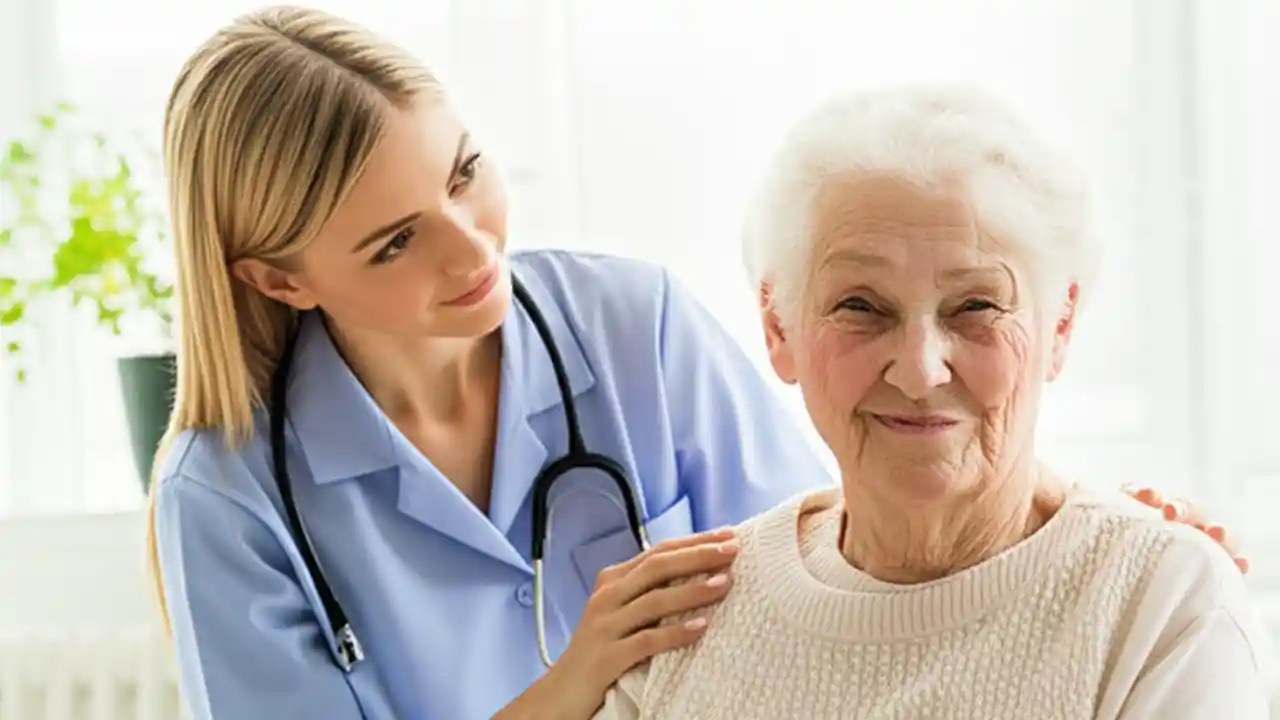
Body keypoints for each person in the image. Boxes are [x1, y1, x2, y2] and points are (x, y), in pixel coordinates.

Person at [148, 7, 1249, 720]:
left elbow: (841, 556)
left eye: (464, 171)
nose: (474, 243)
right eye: (394, 240)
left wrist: (1084, 535)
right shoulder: (233, 494)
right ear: (278, 280)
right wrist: (576, 683)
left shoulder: (631, 326)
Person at [593, 84, 1276, 720]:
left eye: (976, 306)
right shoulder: (684, 616)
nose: (919, 371)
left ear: (1059, 325)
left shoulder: (1158, 605)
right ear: (780, 327)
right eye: (861, 307)